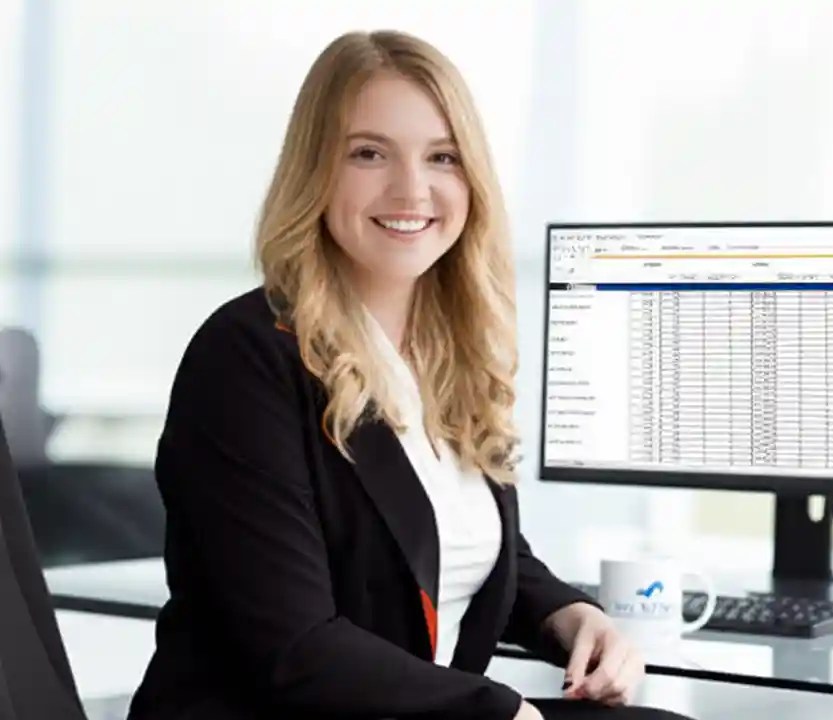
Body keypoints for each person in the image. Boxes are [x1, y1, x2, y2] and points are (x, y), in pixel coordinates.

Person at [127, 30, 694, 720]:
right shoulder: (248, 357)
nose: (411, 189)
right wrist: (504, 711)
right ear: (316, 172)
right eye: (369, 153)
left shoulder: (445, 353)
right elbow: (295, 649)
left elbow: (461, 546)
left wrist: (573, 616)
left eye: (442, 157)